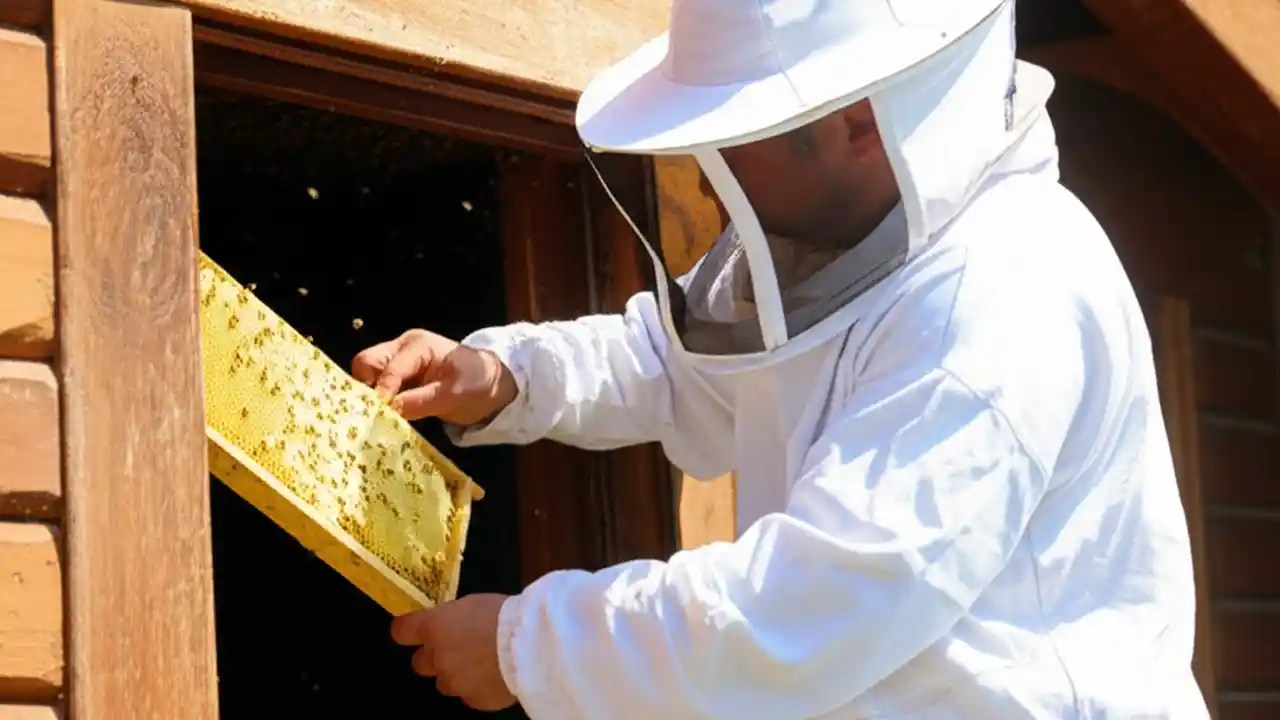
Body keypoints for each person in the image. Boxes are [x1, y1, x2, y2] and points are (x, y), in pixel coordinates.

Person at [352, 0, 1211, 717]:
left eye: (741, 128)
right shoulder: (845, 246)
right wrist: (505, 377)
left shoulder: (1000, 293)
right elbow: (685, 362)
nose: (709, 161)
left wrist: (527, 648)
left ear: (858, 123)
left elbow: (818, 604)